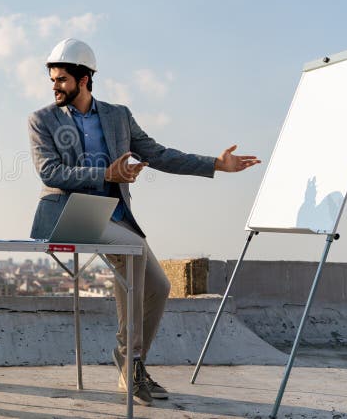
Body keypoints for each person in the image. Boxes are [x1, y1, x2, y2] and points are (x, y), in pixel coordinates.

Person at [27, 38, 260, 406]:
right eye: (52, 79)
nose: (54, 86)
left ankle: (128, 361)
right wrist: (106, 172)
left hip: (115, 217)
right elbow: (50, 171)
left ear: (84, 79)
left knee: (158, 286)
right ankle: (133, 362)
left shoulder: (118, 116)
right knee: (132, 252)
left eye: (62, 79)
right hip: (69, 213)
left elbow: (159, 154)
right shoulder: (42, 120)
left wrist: (215, 164)